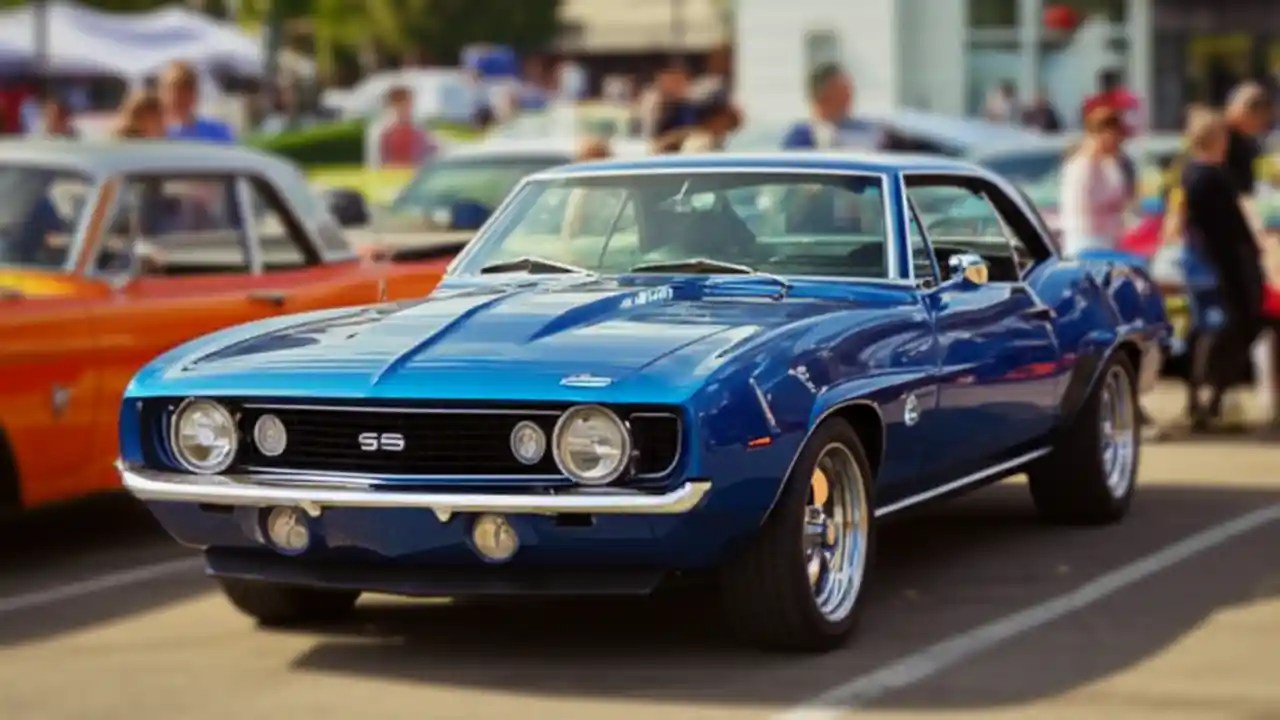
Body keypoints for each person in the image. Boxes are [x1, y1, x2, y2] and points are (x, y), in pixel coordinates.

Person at [1180, 107, 1266, 430]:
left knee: (1210, 329)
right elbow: (1222, 229)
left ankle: (1206, 399)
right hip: (1218, 267)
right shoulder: (1207, 177)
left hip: (1209, 264)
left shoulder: (1196, 174)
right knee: (1220, 329)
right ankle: (1207, 398)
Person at [1058, 106, 1130, 258]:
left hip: (1110, 242)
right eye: (1116, 136)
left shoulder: (1109, 164)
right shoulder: (1080, 167)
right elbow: (1086, 206)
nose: (1119, 142)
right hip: (1087, 243)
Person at [781, 63, 890, 151]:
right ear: (821, 96)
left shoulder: (867, 131)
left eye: (849, 92)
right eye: (842, 93)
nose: (848, 99)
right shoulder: (801, 136)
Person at [160, 61, 235, 143]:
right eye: (174, 91)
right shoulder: (154, 133)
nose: (180, 98)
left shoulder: (218, 133)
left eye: (186, 92)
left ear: (195, 95)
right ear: (163, 94)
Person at [367, 85, 437, 169]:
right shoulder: (383, 130)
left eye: (409, 102)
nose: (408, 106)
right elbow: (377, 161)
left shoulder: (417, 129)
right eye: (404, 102)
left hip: (413, 176)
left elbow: (429, 152)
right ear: (393, 104)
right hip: (389, 176)